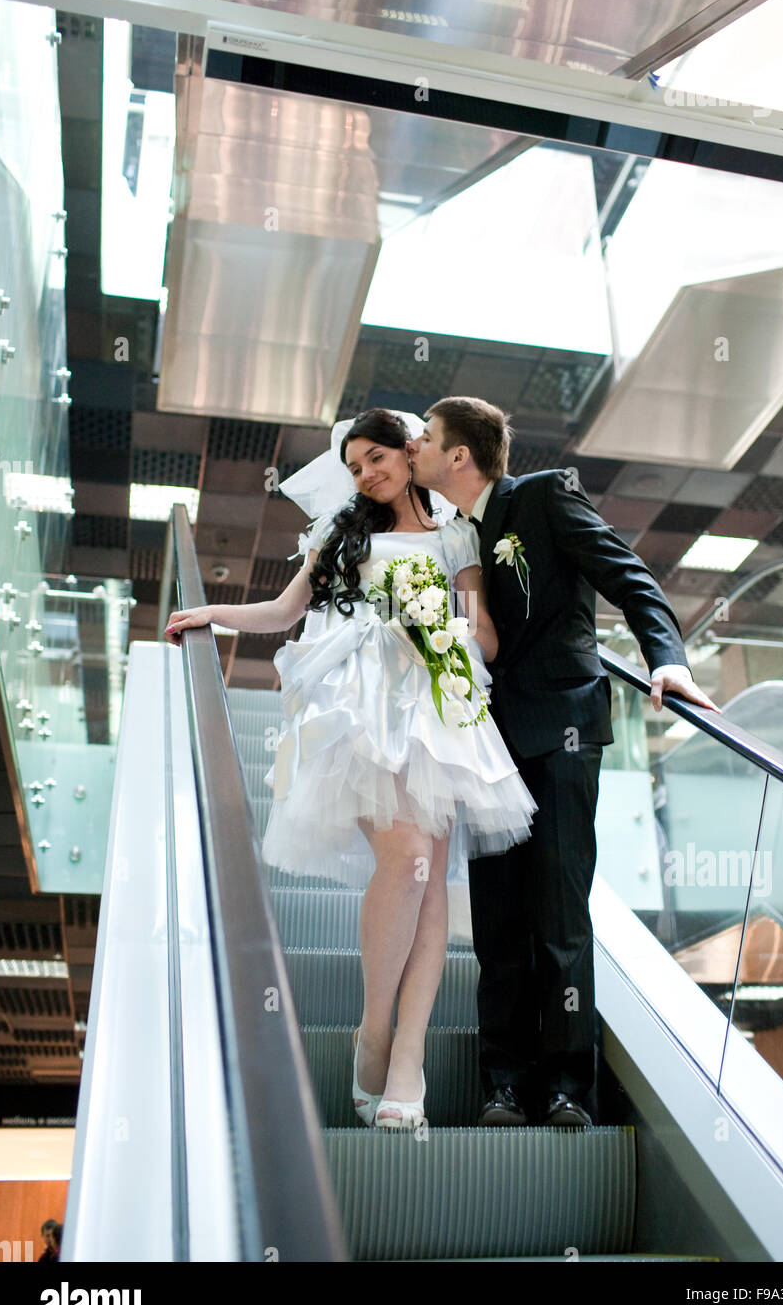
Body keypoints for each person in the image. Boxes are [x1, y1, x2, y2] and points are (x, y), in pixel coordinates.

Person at [165, 409, 536, 1132]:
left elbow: (484, 635)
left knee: (430, 883)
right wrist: (208, 611)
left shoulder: (456, 535)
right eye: (356, 465)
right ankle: (372, 1030)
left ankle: (407, 1060)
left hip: (439, 701)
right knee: (407, 861)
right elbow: (283, 611)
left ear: (408, 452)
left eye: (377, 458)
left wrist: (438, 625)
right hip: (359, 702)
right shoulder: (341, 531)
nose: (366, 474)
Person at [409, 396, 721, 1128]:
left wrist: (667, 661)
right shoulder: (447, 537)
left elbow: (628, 575)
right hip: (485, 746)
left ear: (460, 456)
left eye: (427, 438)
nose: (416, 447)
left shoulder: (543, 497)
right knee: (496, 920)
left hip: (561, 732)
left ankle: (567, 1088)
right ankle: (504, 1085)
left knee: (557, 913)